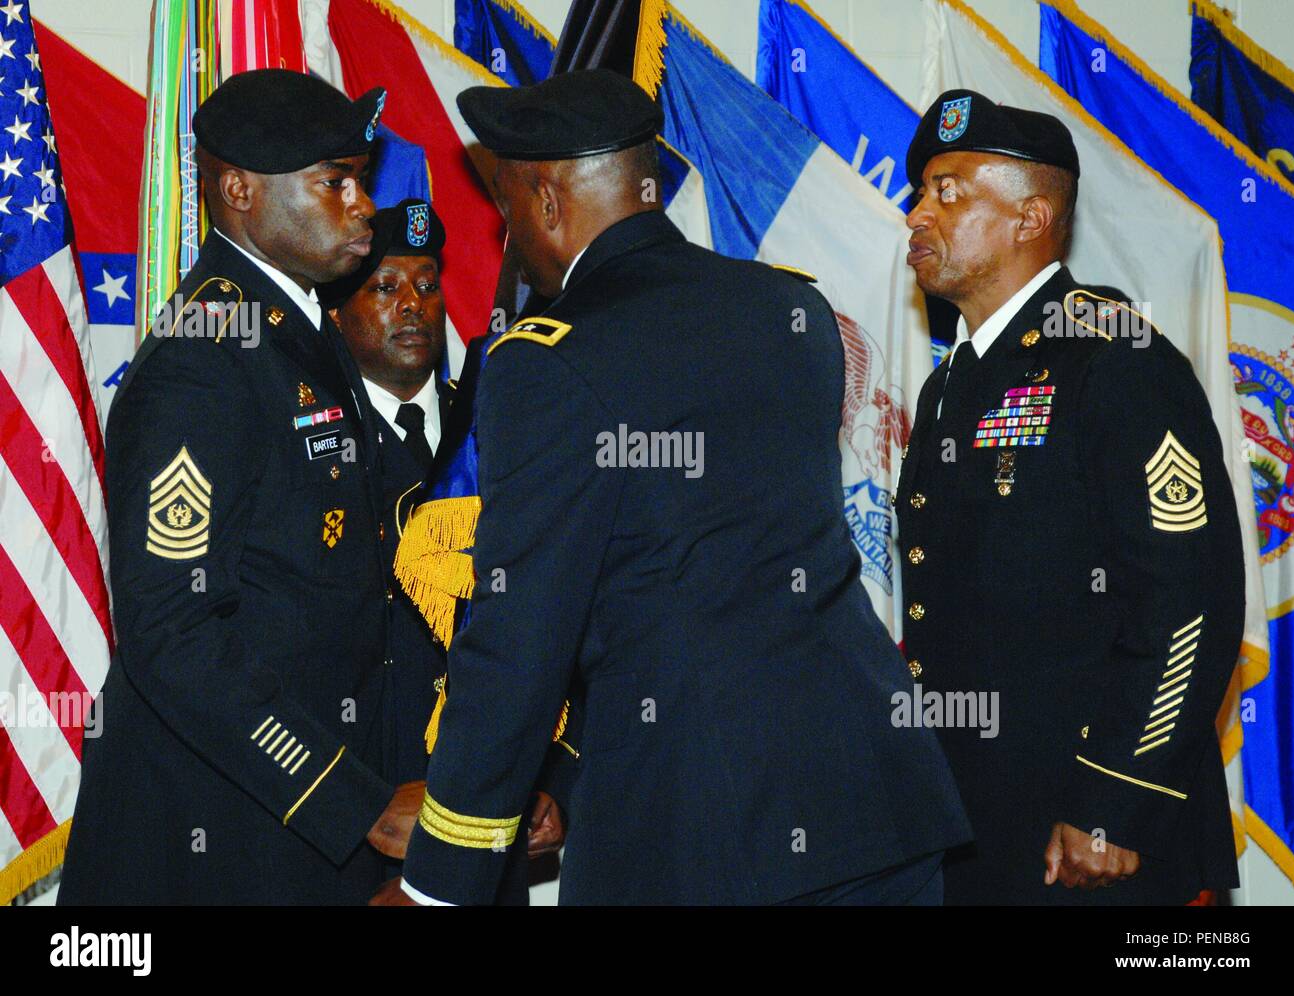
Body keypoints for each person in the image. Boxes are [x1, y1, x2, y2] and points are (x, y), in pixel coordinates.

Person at [376, 68, 970, 906]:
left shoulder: (547, 364)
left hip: (702, 837)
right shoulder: (790, 312)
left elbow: (519, 638)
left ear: (546, 200)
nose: (508, 233)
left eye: (506, 205)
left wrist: (439, 882)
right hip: (876, 798)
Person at [60, 69, 413, 904]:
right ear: (241, 192)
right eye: (335, 182)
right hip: (219, 829)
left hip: (303, 815)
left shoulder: (296, 329)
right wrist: (346, 797)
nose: (363, 205)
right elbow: (172, 626)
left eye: (359, 180)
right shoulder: (204, 357)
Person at [896, 89, 1245, 904]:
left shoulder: (1114, 360)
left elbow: (1190, 601)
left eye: (948, 192)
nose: (917, 215)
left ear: (1031, 218)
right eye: (918, 194)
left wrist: (1116, 801)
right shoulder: (951, 385)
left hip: (1097, 847)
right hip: (979, 827)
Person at [319, 200, 570, 903]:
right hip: (365, 810)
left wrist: (552, 778)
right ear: (338, 313)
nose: (413, 306)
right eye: (385, 287)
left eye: (427, 286)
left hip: (491, 800)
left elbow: (557, 612)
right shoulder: (314, 444)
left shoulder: (500, 430)